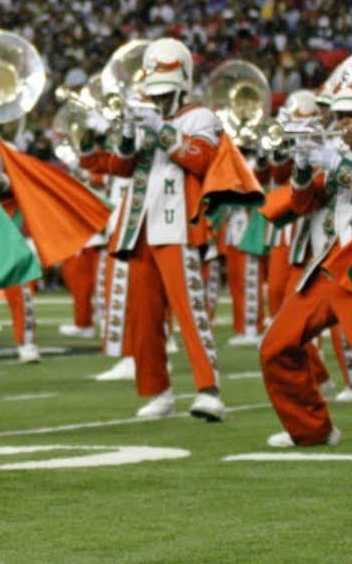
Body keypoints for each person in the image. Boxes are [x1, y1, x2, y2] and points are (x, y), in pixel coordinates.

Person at [83, 38, 227, 421]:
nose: (159, 99)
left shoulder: (203, 118)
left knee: (190, 311)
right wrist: (128, 138)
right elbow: (119, 167)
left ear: (182, 85)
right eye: (155, 93)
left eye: (166, 93)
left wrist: (160, 129)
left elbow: (201, 160)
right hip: (140, 226)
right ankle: (158, 391)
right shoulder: (146, 116)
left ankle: (209, 390)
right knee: (143, 318)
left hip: (179, 224)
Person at [260, 52, 352, 446]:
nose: (342, 124)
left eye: (351, 115)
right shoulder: (341, 148)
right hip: (328, 266)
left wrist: (337, 164)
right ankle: (311, 430)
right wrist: (302, 165)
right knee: (276, 347)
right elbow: (303, 204)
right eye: (341, 114)